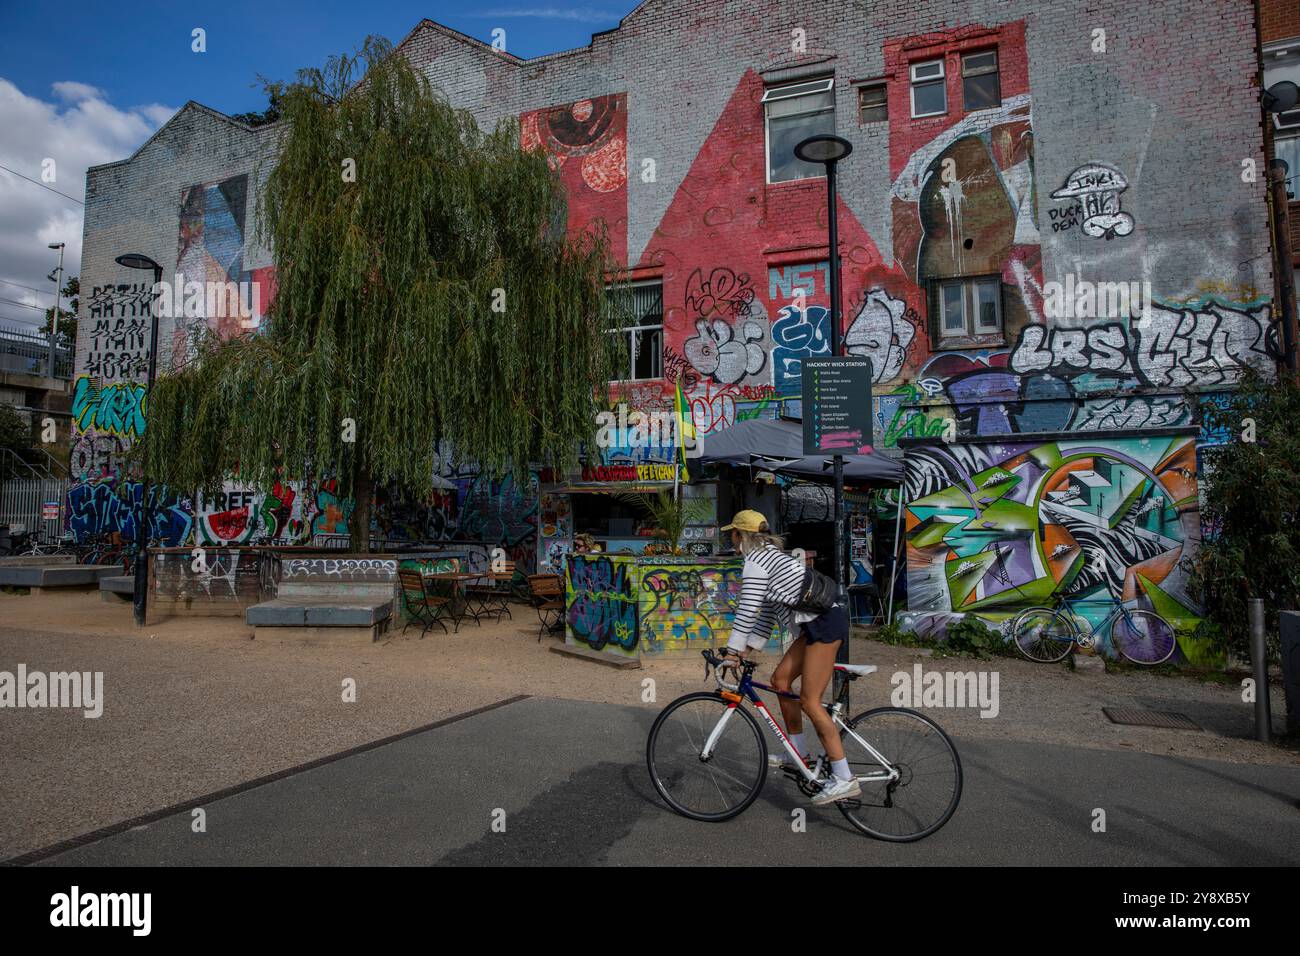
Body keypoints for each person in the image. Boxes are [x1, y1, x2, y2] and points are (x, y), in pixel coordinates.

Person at [718, 509, 858, 805]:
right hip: (816, 623)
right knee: (780, 681)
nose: (731, 540)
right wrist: (747, 649)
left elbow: (747, 609)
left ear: (739, 535)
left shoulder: (756, 562)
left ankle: (844, 777)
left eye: (732, 534)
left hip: (824, 624)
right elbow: (766, 612)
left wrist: (732, 652)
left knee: (809, 700)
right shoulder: (770, 557)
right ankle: (798, 752)